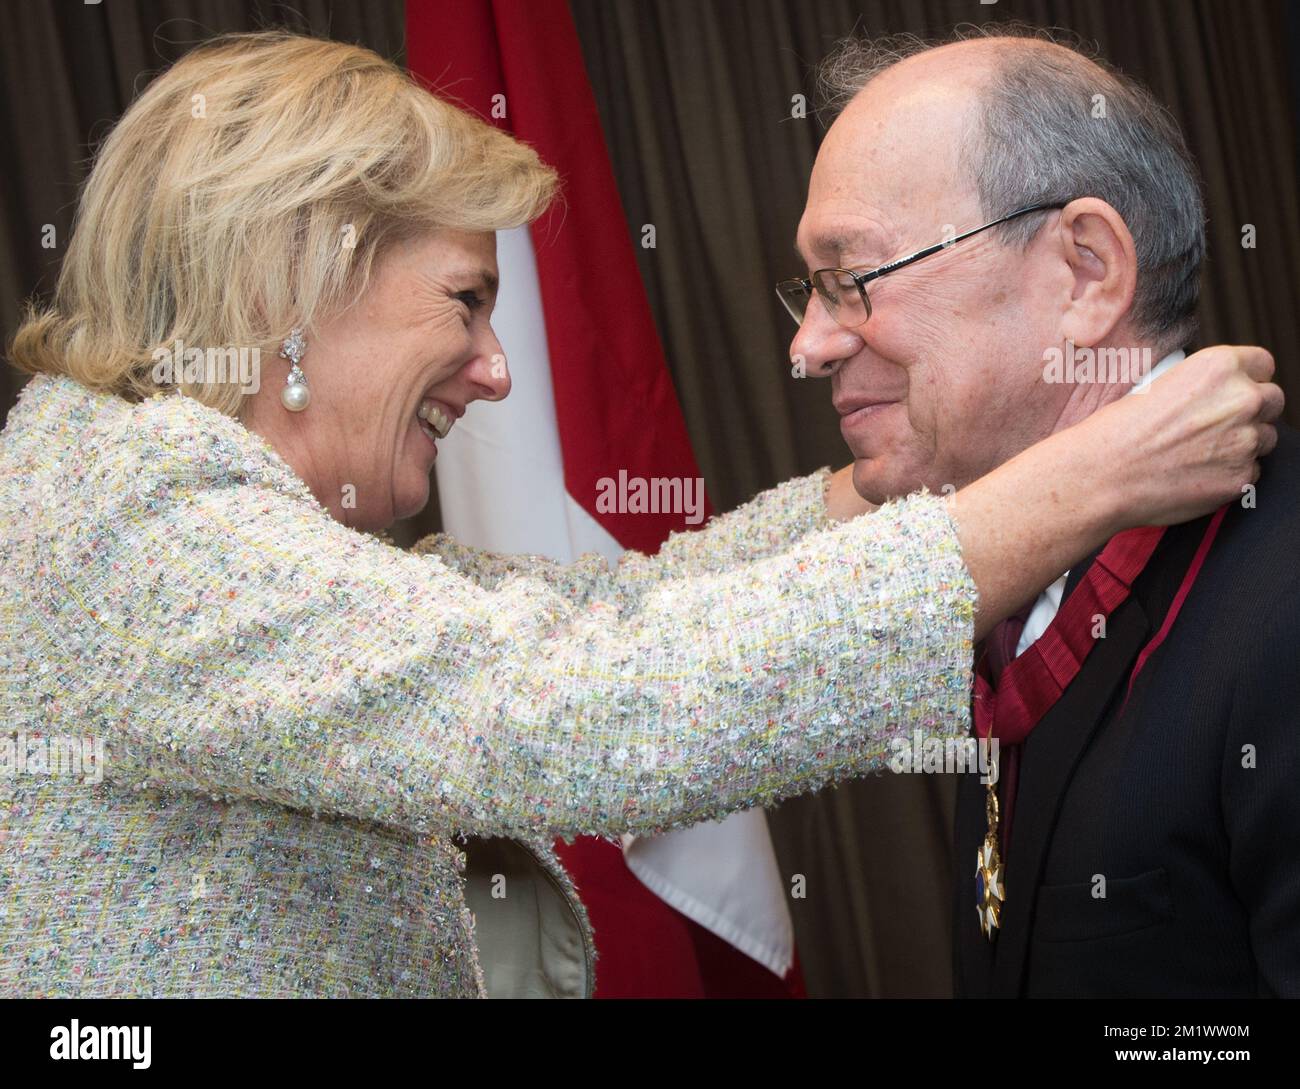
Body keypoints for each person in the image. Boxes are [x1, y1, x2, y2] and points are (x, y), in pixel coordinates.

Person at [0, 31, 1280, 998]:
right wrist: (1086, 480)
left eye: (854, 281)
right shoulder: (128, 514)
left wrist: (881, 486)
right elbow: (596, 708)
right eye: (463, 300)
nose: (497, 369)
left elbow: (603, 614)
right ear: (293, 275)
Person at [786, 26, 1298, 996]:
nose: (808, 346)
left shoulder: (1281, 602)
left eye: (851, 279)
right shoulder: (1002, 586)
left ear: (1085, 272)